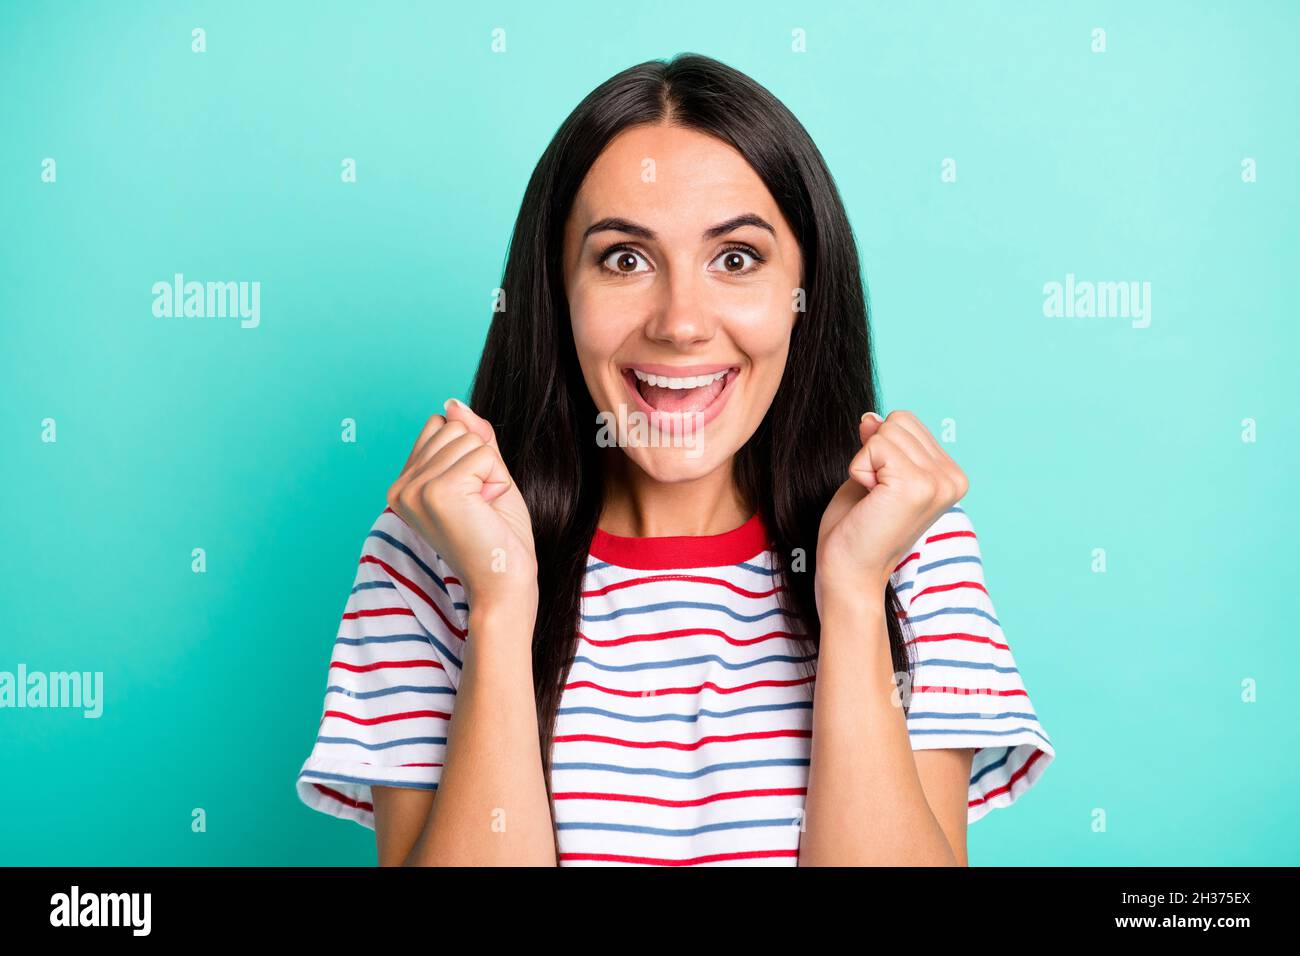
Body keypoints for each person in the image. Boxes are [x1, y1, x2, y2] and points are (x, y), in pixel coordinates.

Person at [295, 52, 1055, 866]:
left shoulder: (912, 551)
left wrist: (855, 595)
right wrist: (503, 605)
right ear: (556, 293)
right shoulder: (432, 552)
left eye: (736, 259)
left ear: (805, 293)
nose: (681, 324)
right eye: (625, 258)